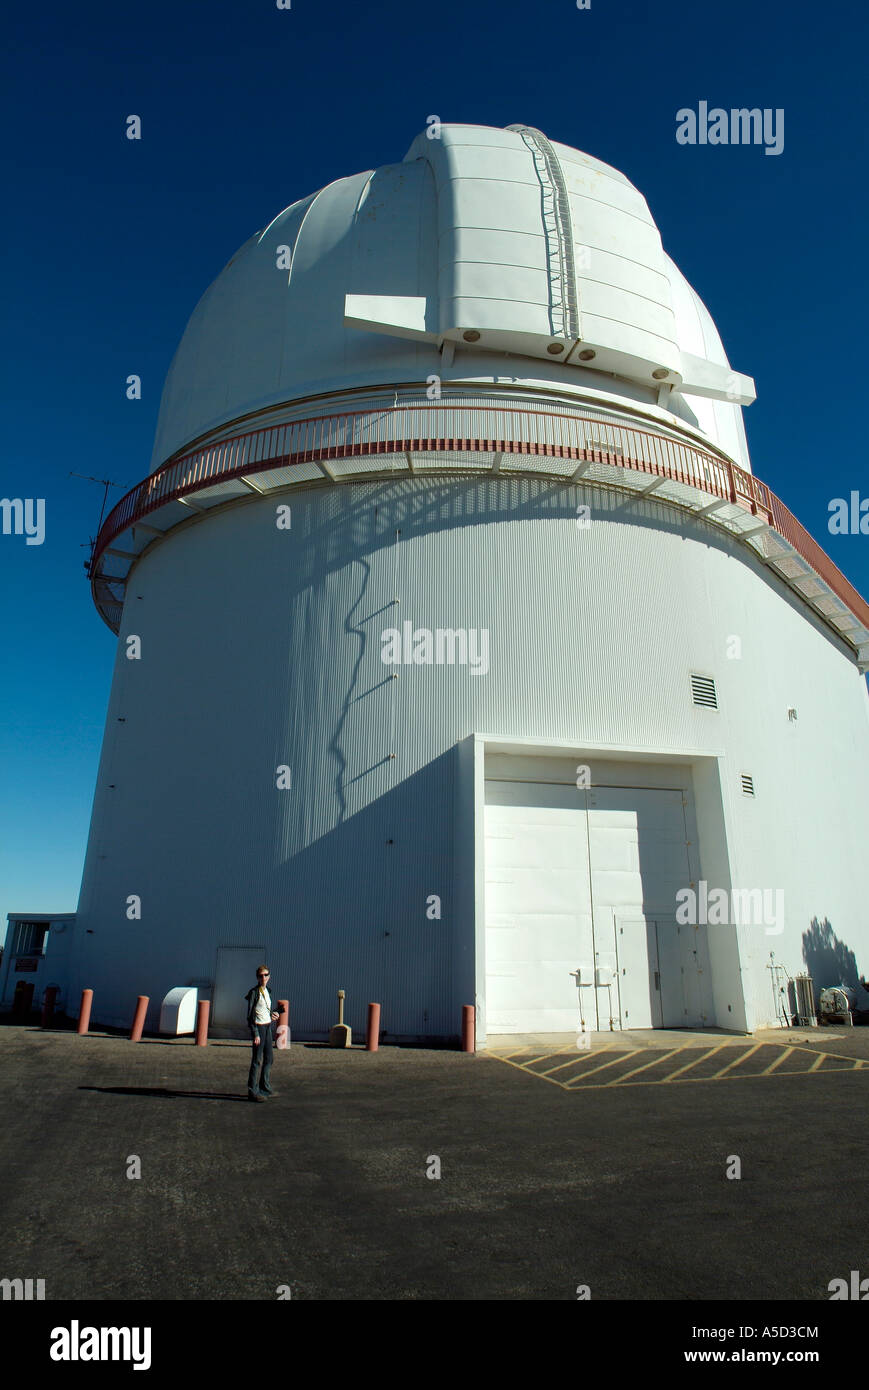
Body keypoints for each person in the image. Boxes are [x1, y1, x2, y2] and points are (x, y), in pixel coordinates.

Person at [245, 965, 281, 1101]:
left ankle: (264, 1086)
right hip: (259, 1028)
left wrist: (274, 1015)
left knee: (269, 1058)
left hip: (267, 1027)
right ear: (257, 977)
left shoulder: (268, 991)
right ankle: (252, 1090)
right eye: (261, 976)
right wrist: (255, 1033)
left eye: (266, 975)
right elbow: (250, 1015)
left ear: (269, 976)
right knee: (257, 1060)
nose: (263, 978)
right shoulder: (254, 993)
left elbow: (265, 1010)